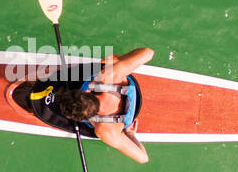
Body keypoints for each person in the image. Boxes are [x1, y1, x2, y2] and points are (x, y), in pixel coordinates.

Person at [16, 48, 153, 163]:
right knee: (110, 61)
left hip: (124, 112)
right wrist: (121, 62)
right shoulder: (109, 76)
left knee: (110, 63)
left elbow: (144, 158)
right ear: (87, 91)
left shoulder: (105, 130)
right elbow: (148, 53)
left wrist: (129, 132)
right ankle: (120, 63)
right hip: (122, 86)